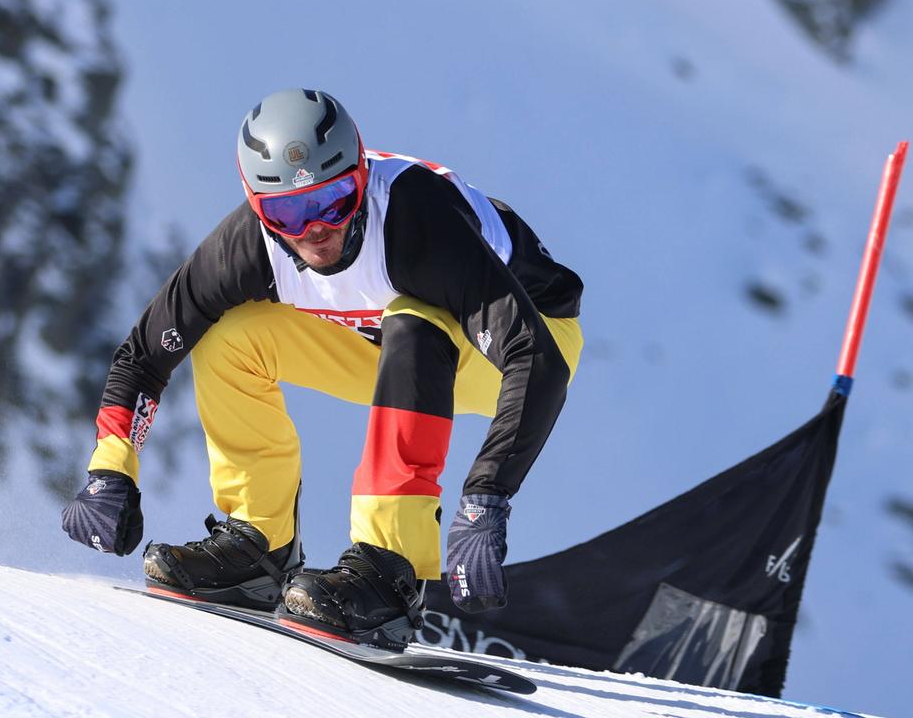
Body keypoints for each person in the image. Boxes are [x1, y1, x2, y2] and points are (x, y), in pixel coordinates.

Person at [61, 88, 583, 650]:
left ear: (361, 175)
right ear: (258, 207)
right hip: (387, 345)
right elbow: (144, 354)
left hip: (526, 342)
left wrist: (486, 498)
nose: (315, 229)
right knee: (230, 335)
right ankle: (258, 547)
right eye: (287, 212)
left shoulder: (415, 221)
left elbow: (537, 361)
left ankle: (390, 569)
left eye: (334, 200)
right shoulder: (247, 247)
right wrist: (110, 471)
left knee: (413, 315)